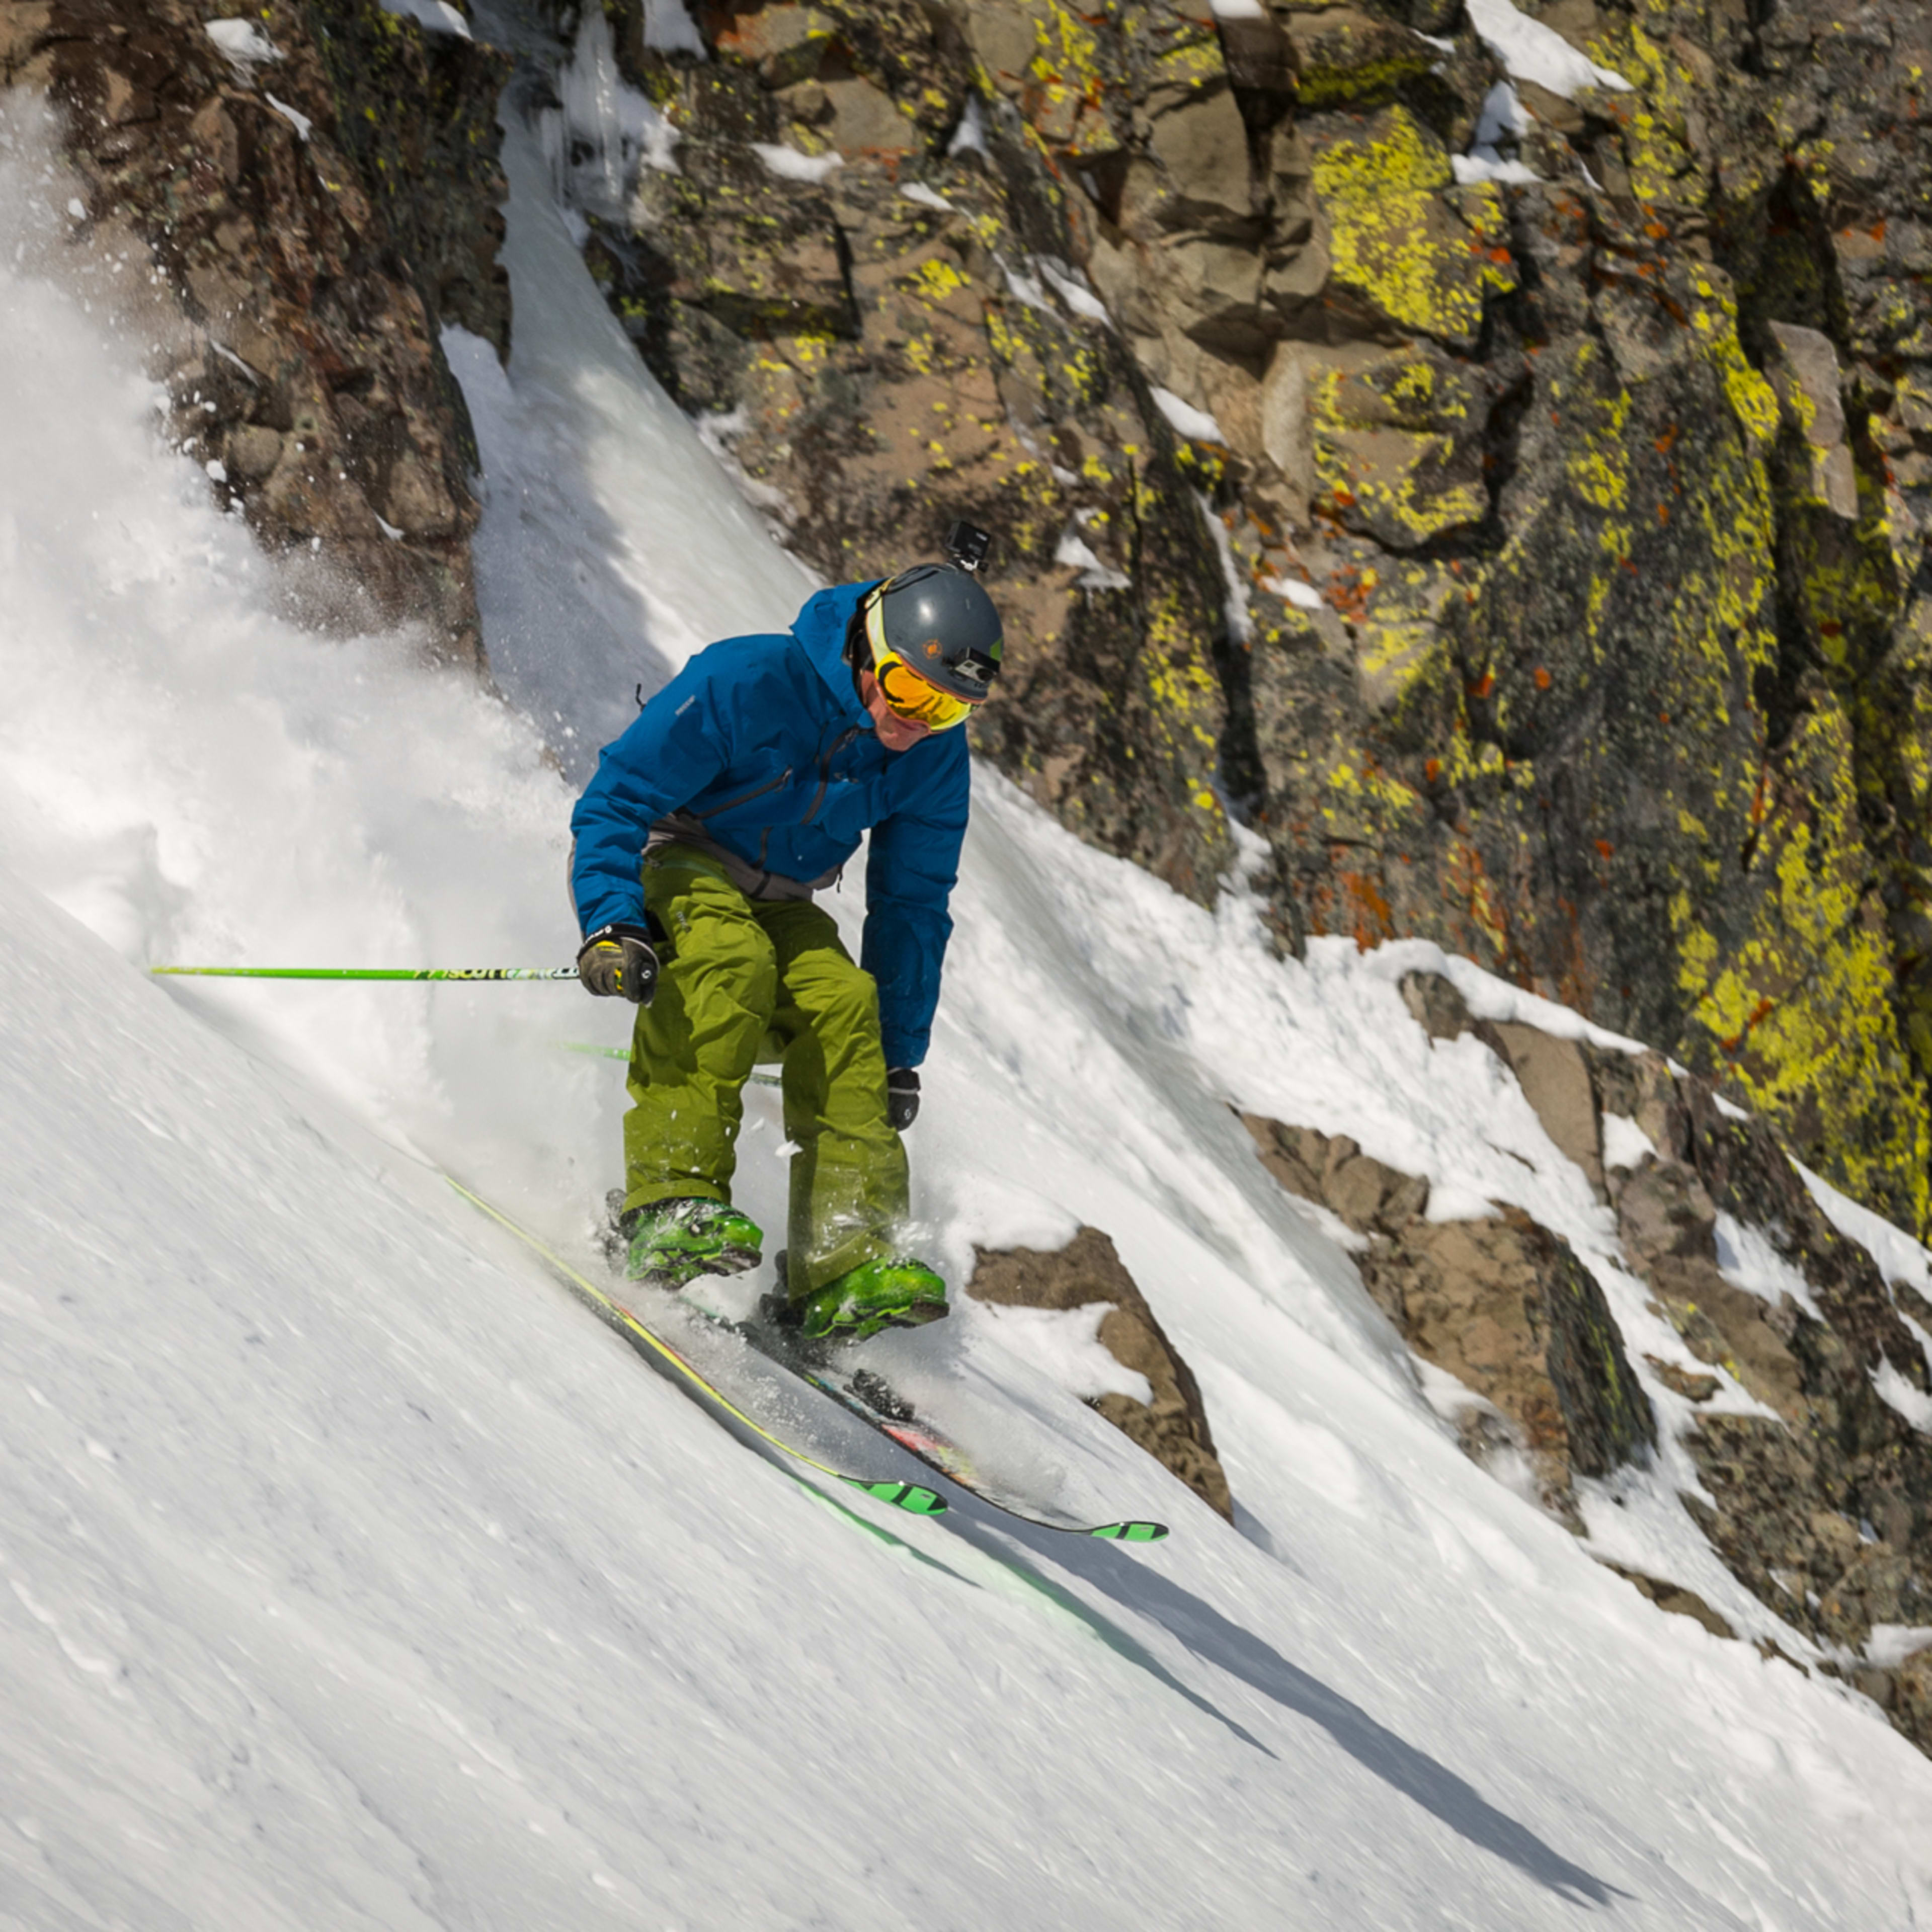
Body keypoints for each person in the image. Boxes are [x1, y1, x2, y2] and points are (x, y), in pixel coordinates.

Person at [569, 542, 1002, 1343]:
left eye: (945, 709)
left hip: (785, 897)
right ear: (869, 649)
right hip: (682, 854)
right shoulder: (747, 679)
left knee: (847, 1007)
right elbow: (617, 799)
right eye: (910, 689)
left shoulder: (932, 755)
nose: (915, 722)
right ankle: (667, 1200)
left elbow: (912, 904)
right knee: (730, 962)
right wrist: (610, 920)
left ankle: (842, 1262)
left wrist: (897, 1055)